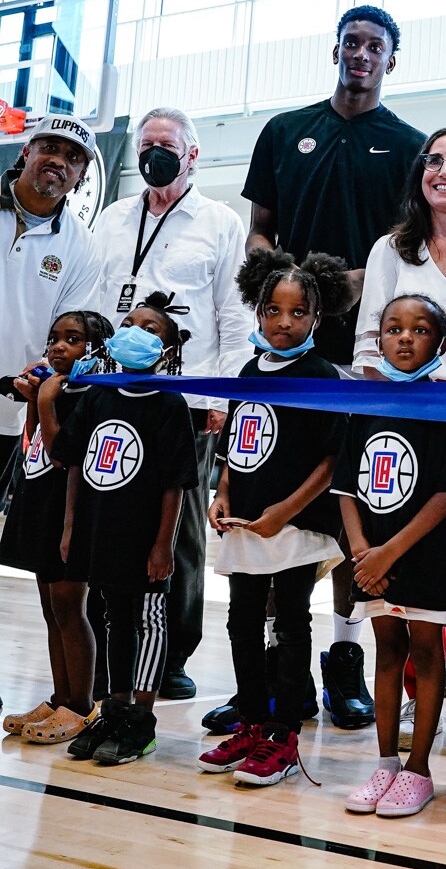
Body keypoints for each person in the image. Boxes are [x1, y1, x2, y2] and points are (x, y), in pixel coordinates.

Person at [242, 4, 426, 730]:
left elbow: (407, 240)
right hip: (286, 346)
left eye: (374, 45)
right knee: (275, 494)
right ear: (335, 51)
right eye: (351, 42)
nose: (360, 53)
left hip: (363, 354)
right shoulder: (284, 131)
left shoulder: (408, 145)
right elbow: (260, 227)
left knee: (348, 497)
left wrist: (349, 284)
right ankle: (268, 675)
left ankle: (345, 664)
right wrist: (276, 278)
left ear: (390, 58)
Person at [93, 106, 254, 701]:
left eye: (166, 144)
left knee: (179, 525)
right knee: (112, 516)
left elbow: (234, 315)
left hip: (188, 398)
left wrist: (225, 396)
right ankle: (112, 640)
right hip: (115, 393)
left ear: (192, 155)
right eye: (146, 144)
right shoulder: (111, 220)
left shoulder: (219, 221)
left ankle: (174, 651)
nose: (153, 152)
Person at [355, 127, 446, 756]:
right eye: (434, 161)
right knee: (411, 564)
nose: (445, 171)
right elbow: (366, 345)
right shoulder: (393, 248)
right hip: (403, 432)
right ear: (419, 173)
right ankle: (416, 689)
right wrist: (387, 414)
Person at [197, 250, 354, 788]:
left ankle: (283, 733)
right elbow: (234, 441)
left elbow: (331, 460)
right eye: (273, 310)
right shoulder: (247, 368)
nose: (283, 323)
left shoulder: (319, 373)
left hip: (295, 525)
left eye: (297, 312)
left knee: (290, 623)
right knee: (241, 621)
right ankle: (252, 718)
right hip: (246, 522)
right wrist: (222, 494)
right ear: (258, 310)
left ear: (316, 317)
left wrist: (283, 513)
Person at [336, 293, 446, 820]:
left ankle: (418, 769)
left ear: (440, 344)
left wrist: (389, 552)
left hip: (422, 559)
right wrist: (361, 553)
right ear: (378, 340)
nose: (403, 337)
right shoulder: (364, 404)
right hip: (368, 559)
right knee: (386, 652)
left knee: (426, 656)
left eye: (418, 330)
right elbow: (346, 487)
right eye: (393, 328)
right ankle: (385, 763)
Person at [53, 293, 198, 768]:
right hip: (100, 530)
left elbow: (176, 484)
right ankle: (114, 708)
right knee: (113, 618)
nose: (136, 331)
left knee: (147, 620)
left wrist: (163, 545)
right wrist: (73, 525)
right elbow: (74, 462)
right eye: (130, 322)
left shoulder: (170, 405)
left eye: (151, 328)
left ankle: (142, 718)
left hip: (145, 539)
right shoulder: (98, 394)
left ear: (168, 351)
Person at [0, 310, 112, 746]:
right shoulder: (53, 387)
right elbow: (33, 448)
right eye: (55, 338)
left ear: (96, 350)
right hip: (40, 509)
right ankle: (59, 696)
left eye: (74, 339)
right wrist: (35, 398)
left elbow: (63, 454)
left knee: (70, 607)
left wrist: (45, 400)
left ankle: (81, 706)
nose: (59, 346)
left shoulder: (87, 397)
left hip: (71, 518)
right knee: (51, 610)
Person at [0, 115, 103, 474]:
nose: (59, 160)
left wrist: (43, 373)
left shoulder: (84, 246)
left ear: (80, 177)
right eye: (50, 148)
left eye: (74, 157)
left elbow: (69, 332)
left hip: (5, 409)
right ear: (26, 152)